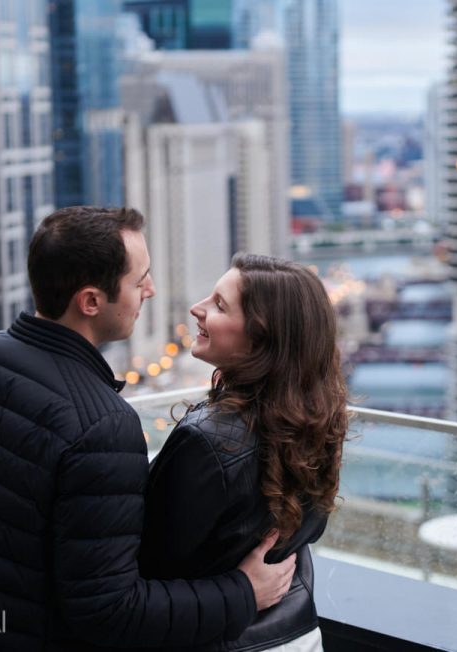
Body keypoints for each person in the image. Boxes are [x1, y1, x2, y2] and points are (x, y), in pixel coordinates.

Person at [0, 207, 296, 651]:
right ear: (91, 301)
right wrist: (242, 593)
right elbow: (110, 611)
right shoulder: (101, 426)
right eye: (140, 281)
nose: (150, 291)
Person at [139, 253, 348, 651]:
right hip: (296, 636)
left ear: (261, 338)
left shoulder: (208, 439)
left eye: (219, 305)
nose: (197, 309)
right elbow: (311, 526)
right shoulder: (319, 416)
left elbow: (153, 567)